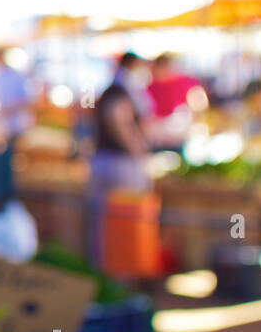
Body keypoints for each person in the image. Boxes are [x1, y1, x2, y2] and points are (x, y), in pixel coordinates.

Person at [87, 52, 153, 269]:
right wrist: (135, 148)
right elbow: (117, 118)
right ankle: (120, 271)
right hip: (119, 163)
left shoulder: (114, 89)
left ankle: (111, 268)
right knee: (121, 220)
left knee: (105, 220)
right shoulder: (120, 89)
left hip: (105, 160)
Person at [145, 53, 205, 152]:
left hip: (179, 138)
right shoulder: (150, 87)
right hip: (158, 139)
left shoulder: (183, 82)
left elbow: (199, 101)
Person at [0, 46, 36, 150]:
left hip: (16, 122)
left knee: (16, 150)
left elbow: (26, 99)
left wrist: (13, 108)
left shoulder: (16, 75)